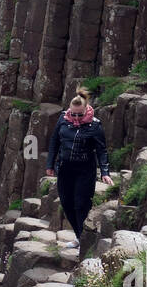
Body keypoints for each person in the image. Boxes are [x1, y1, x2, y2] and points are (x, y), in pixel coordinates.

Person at [45, 93, 111, 244]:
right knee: (67, 204)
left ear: (86, 109)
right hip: (64, 169)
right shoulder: (63, 118)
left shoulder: (95, 125)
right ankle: (79, 237)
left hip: (84, 170)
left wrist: (105, 172)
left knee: (80, 205)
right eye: (73, 114)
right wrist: (50, 164)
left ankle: (84, 242)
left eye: (79, 115)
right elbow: (55, 141)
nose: (75, 118)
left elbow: (102, 150)